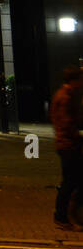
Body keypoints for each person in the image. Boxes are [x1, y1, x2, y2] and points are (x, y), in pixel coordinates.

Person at [50, 66, 82, 231]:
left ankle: (69, 214)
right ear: (74, 80)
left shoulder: (65, 95)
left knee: (72, 180)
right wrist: (78, 137)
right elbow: (66, 123)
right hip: (68, 145)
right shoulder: (65, 97)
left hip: (66, 143)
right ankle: (61, 216)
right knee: (70, 181)